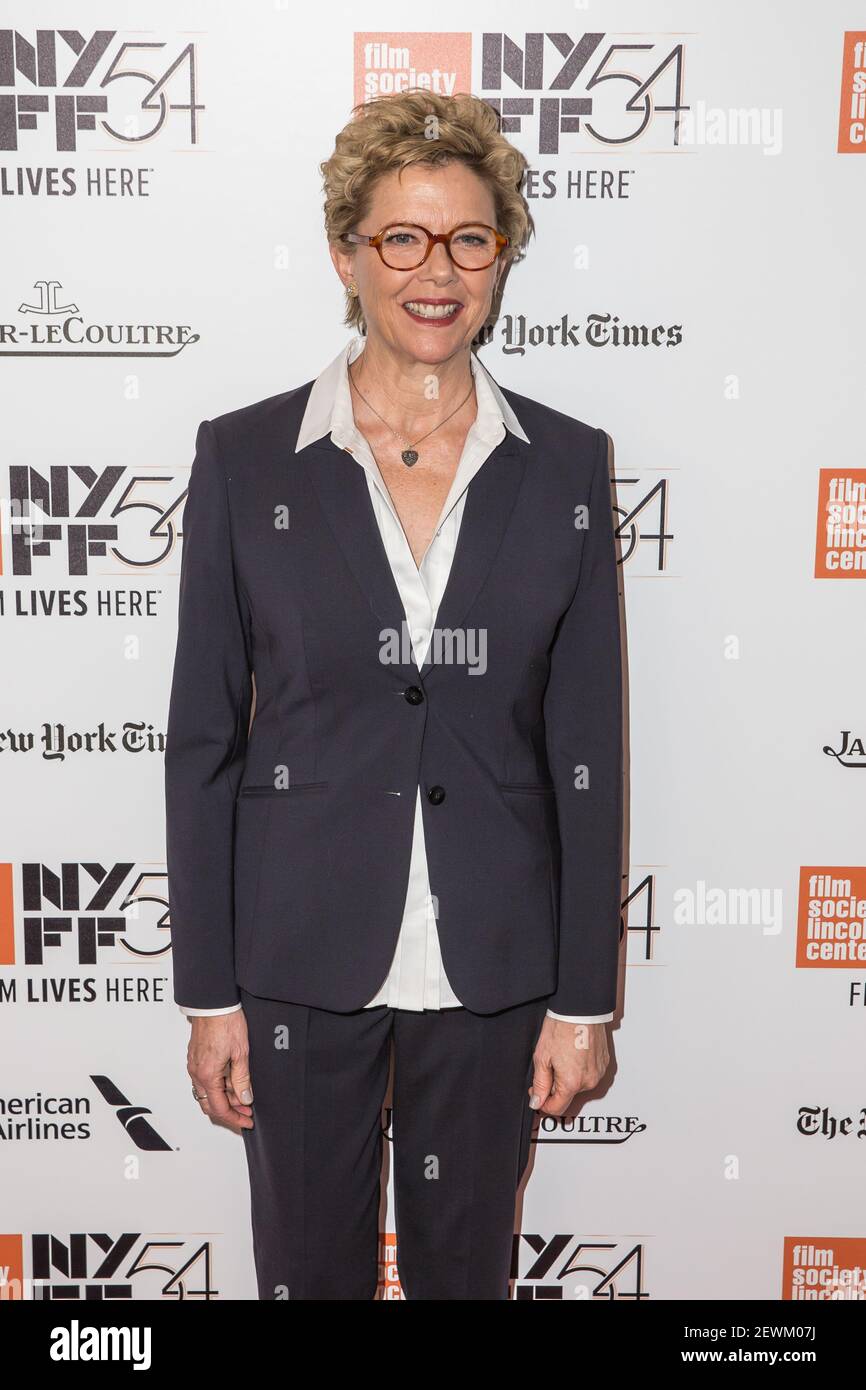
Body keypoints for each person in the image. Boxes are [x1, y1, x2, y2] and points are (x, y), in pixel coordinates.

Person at [164, 88, 624, 1301]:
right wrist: (209, 993)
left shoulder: (568, 462)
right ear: (345, 256)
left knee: (462, 1277)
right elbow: (204, 737)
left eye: (468, 239)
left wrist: (584, 999)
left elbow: (586, 744)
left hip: (490, 961)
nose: (437, 270)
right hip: (297, 954)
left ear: (500, 258)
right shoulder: (244, 454)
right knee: (305, 1278)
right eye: (401, 239)